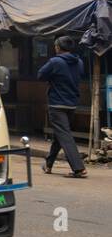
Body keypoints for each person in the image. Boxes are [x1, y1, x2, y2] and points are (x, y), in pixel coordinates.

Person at [39, 36, 87, 177]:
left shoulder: (55, 62)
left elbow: (40, 75)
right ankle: (48, 164)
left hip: (57, 104)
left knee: (64, 135)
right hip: (72, 104)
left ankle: (79, 168)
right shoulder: (79, 62)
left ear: (58, 48)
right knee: (60, 135)